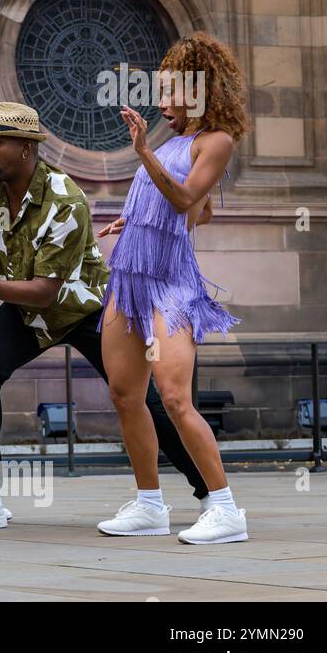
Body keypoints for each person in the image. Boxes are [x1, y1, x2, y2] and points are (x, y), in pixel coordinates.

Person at [0, 101, 209, 531]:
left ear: (24, 147)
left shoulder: (65, 199)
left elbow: (46, 290)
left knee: (145, 400)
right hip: (28, 310)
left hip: (86, 307)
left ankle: (210, 495)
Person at [100, 32, 249, 544]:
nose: (163, 102)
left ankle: (226, 510)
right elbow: (199, 213)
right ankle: (148, 505)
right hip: (129, 279)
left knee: (174, 398)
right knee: (124, 393)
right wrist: (136, 221)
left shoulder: (216, 141)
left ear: (202, 90)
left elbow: (186, 198)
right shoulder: (174, 142)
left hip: (170, 285)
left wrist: (142, 152)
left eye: (172, 92)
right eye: (161, 92)